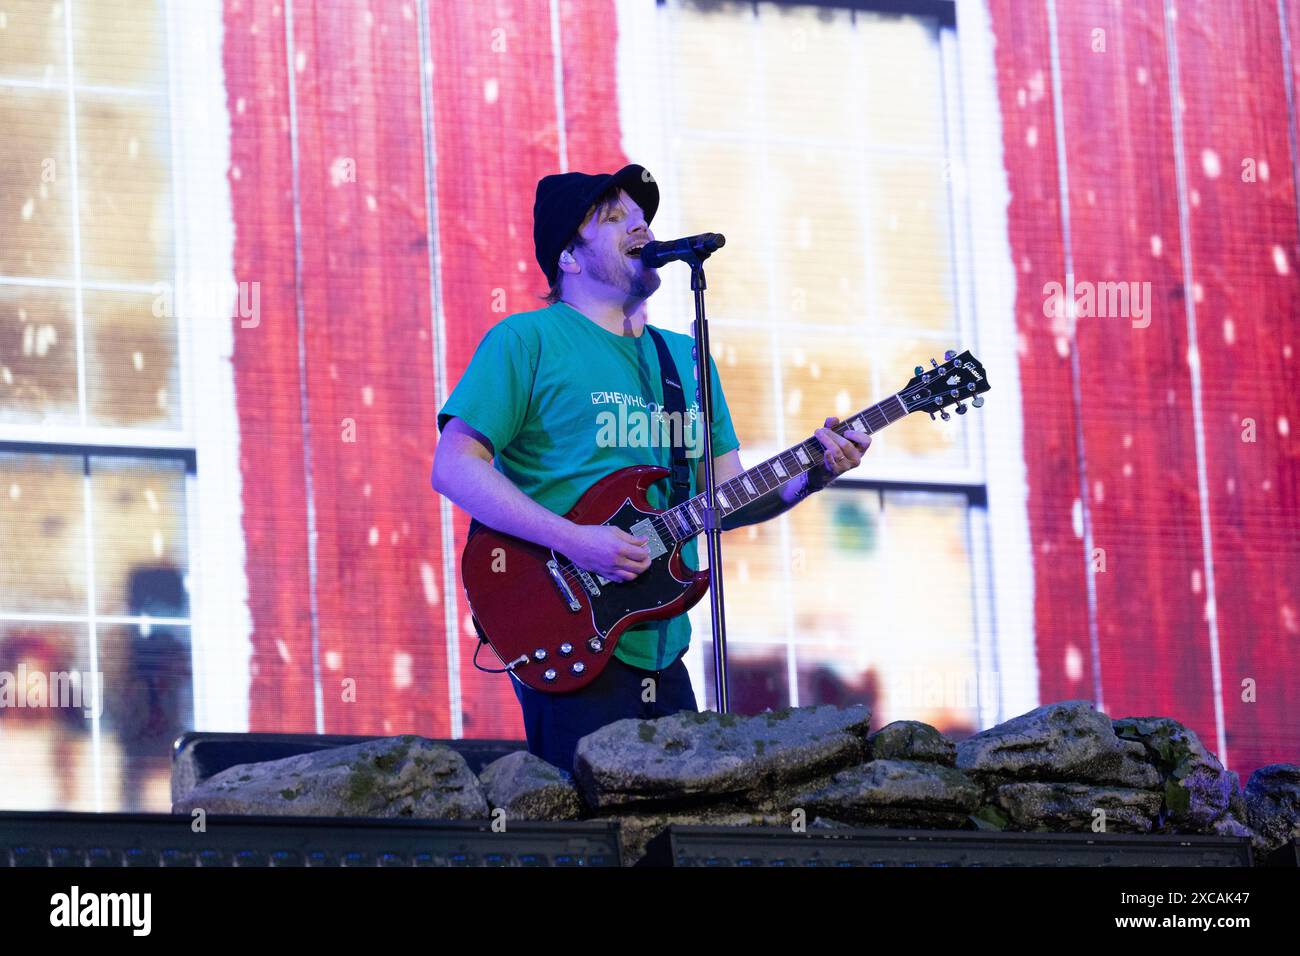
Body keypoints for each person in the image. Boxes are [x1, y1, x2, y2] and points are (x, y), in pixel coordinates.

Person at [432, 163, 871, 772]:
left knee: (682, 828)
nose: (639, 224)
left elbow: (725, 495)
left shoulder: (687, 358)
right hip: (565, 628)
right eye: (613, 218)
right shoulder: (526, 341)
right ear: (569, 258)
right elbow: (454, 467)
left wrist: (815, 472)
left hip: (664, 643)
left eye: (641, 216)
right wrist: (576, 542)